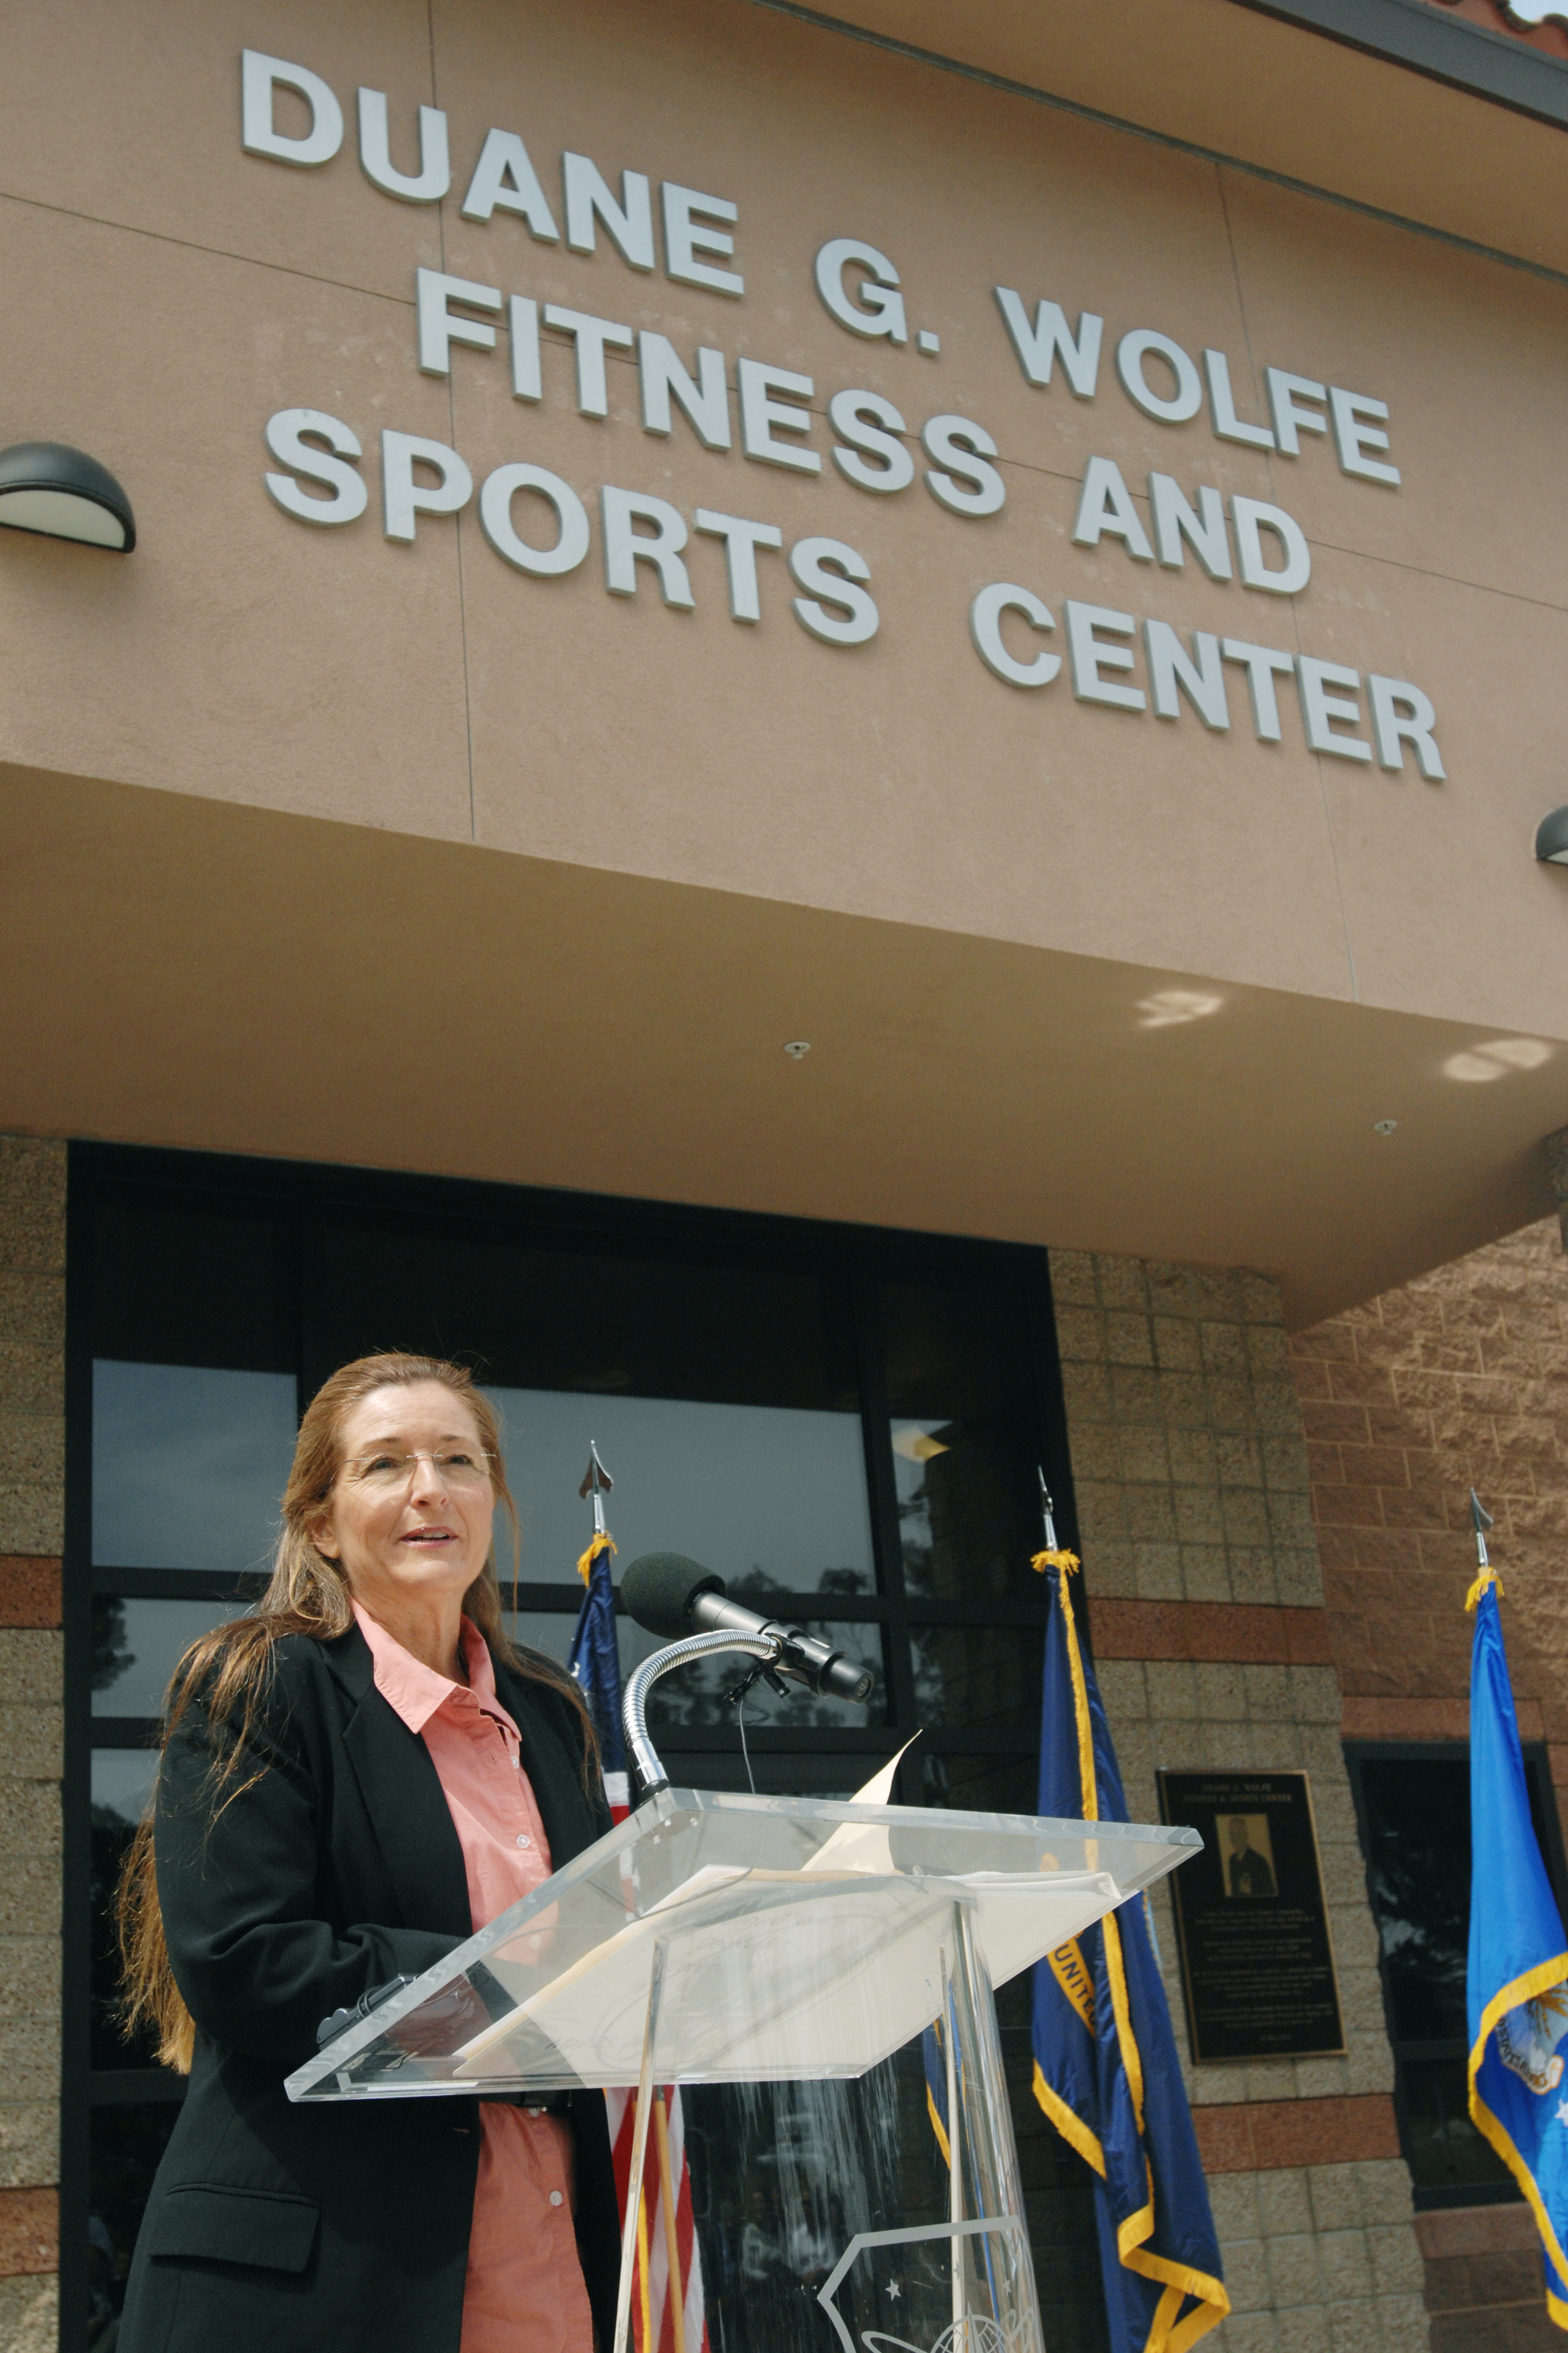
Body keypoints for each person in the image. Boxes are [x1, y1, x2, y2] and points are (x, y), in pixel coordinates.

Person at [114, 1352, 620, 2353]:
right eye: (385, 1464)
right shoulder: (259, 1682)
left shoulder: (549, 1715)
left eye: (457, 1460)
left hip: (550, 2266)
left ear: (491, 1498)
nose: (429, 1488)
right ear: (320, 1522)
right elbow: (245, 1961)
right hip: (325, 2288)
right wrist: (527, 1994)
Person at [1224, 1815, 1277, 1900]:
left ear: (1246, 1835)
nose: (1235, 1838)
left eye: (1238, 1834)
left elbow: (1269, 1893)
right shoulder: (1232, 1860)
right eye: (1232, 1834)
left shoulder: (1259, 1862)